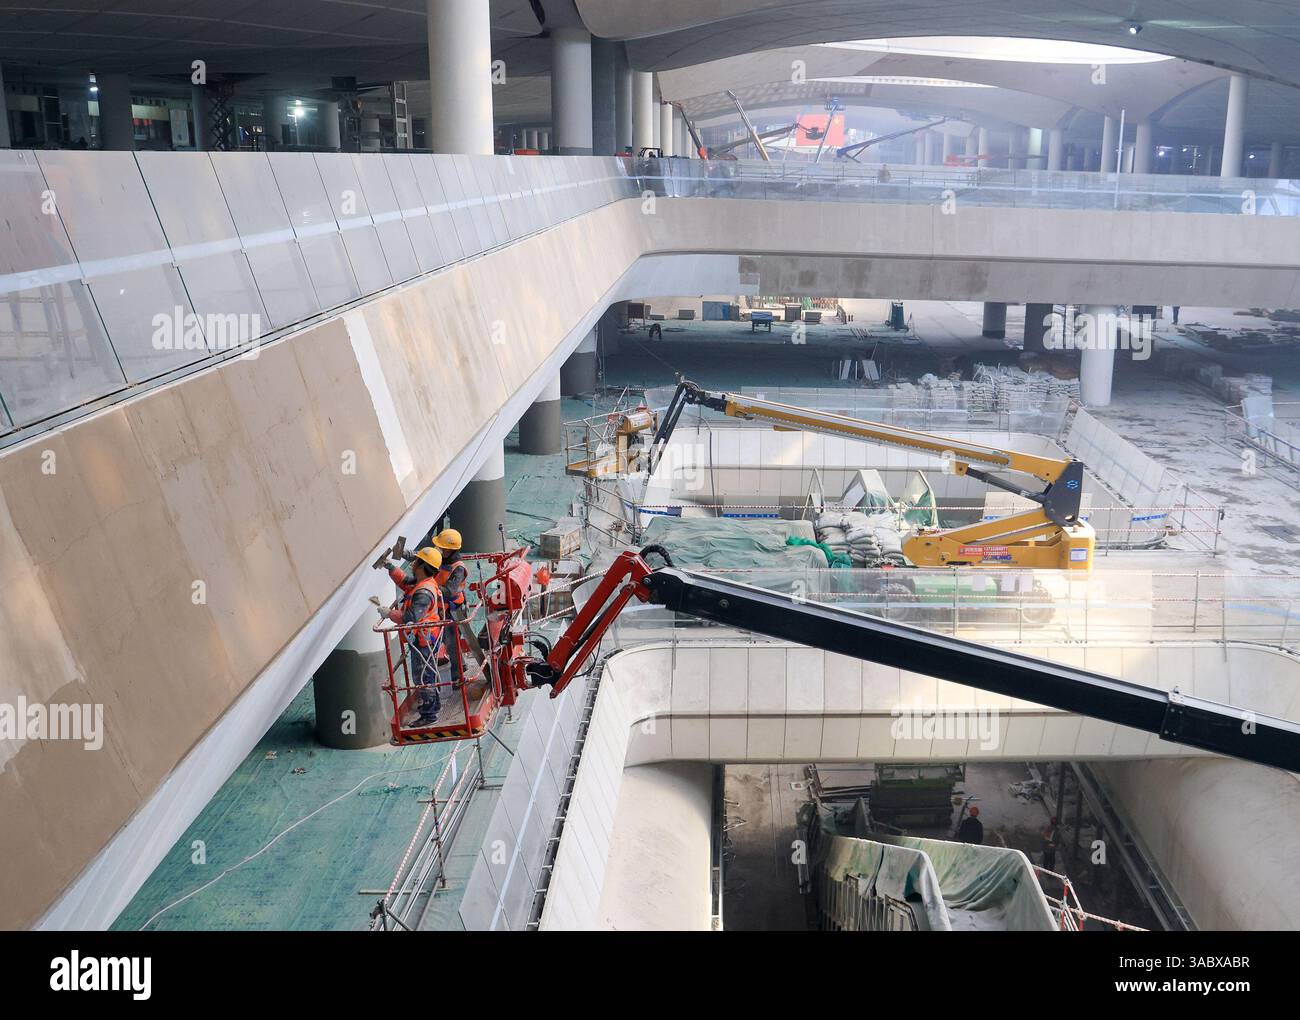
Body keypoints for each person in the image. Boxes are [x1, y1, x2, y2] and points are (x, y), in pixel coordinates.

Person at [387, 547, 445, 726]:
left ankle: (429, 715)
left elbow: (410, 618)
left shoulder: (424, 592)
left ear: (422, 566)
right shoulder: (423, 582)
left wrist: (389, 614)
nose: (413, 563)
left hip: (424, 640)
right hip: (425, 637)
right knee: (427, 674)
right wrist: (390, 567)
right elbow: (406, 583)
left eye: (417, 561)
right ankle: (433, 706)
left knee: (423, 677)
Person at [432, 528, 480, 681]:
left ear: (451, 551)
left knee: (452, 643)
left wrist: (428, 586)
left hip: (454, 611)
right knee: (448, 641)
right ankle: (462, 666)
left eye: (443, 548)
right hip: (444, 610)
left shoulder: (458, 568)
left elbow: (449, 591)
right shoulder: (444, 560)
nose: (440, 550)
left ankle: (457, 676)